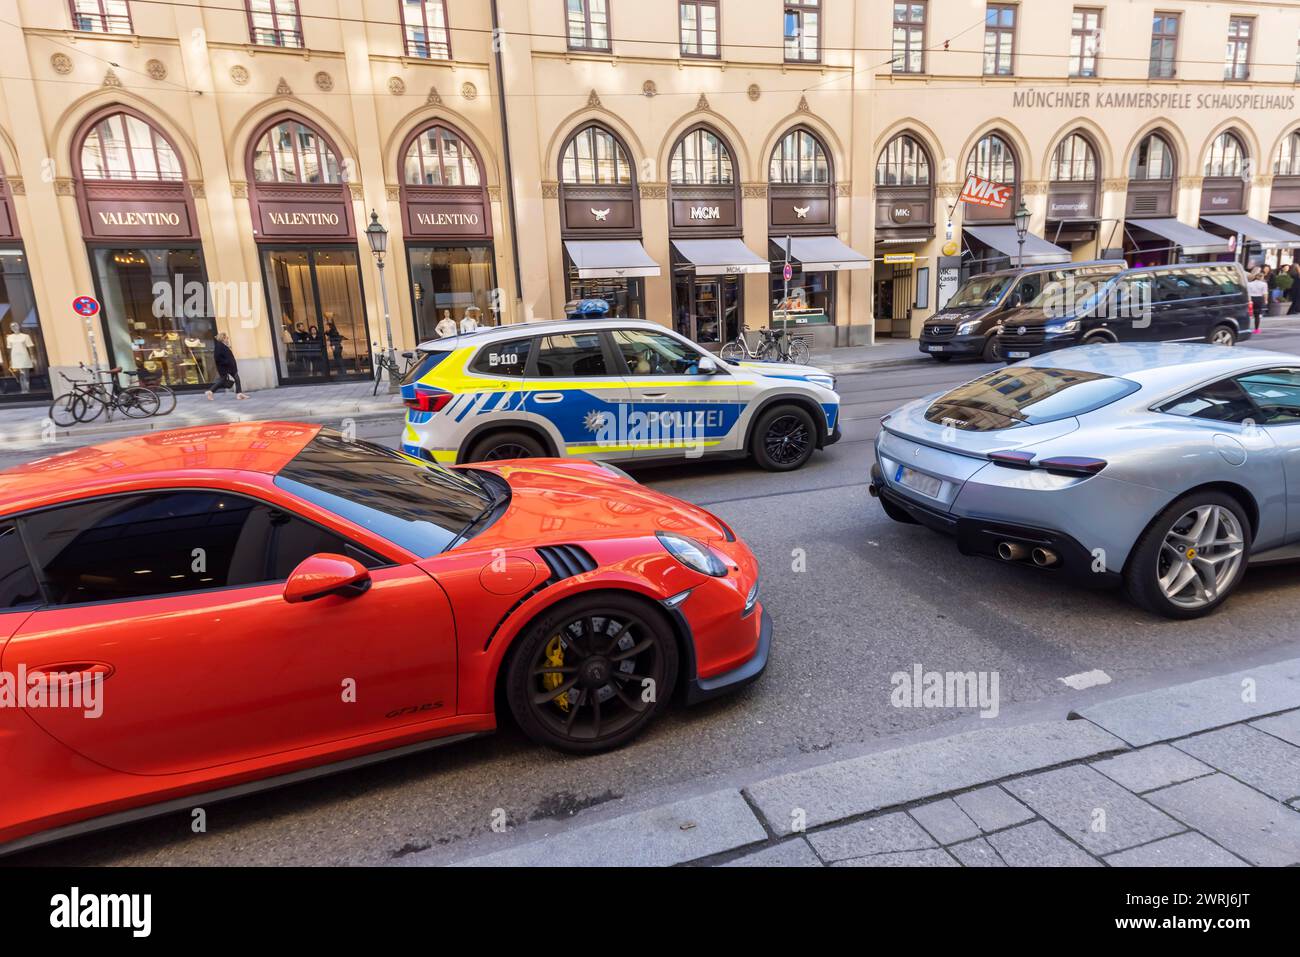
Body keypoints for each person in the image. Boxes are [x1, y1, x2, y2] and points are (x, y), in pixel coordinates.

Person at [205, 332, 248, 401]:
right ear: (223, 338)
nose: (227, 339)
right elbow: (217, 358)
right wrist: (227, 362)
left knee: (236, 378)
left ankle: (239, 394)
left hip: (229, 367)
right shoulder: (219, 346)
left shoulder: (222, 345)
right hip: (225, 367)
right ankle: (210, 391)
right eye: (226, 338)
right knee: (224, 380)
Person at [4, 320, 36, 393]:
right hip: (15, 357)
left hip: (24, 356)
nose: (14, 327)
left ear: (19, 326)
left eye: (15, 325)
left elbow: (30, 347)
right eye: (12, 326)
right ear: (10, 328)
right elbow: (9, 348)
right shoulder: (9, 337)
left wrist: (32, 357)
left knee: (26, 373)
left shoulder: (25, 336)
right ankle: (23, 389)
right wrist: (10, 359)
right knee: (19, 374)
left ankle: (27, 389)